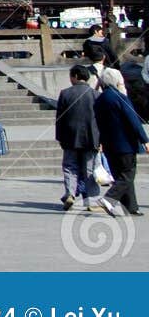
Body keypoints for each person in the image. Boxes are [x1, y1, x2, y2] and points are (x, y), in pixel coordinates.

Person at [56, 64, 117, 214]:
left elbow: (60, 119)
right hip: (91, 138)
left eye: (71, 76)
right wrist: (102, 140)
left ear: (75, 76)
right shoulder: (95, 95)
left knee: (70, 167)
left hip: (70, 137)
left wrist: (60, 137)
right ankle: (92, 201)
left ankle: (70, 194)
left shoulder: (65, 94)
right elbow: (102, 120)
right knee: (90, 169)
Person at [96, 71, 147, 216]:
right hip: (125, 144)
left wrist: (99, 141)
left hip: (109, 144)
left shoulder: (99, 100)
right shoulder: (120, 97)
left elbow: (98, 124)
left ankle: (131, 206)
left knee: (120, 175)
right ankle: (109, 199)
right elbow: (133, 120)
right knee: (128, 174)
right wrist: (145, 140)